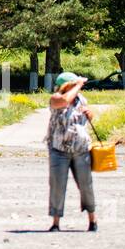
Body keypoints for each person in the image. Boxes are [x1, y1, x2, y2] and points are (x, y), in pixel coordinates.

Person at [46, 71, 98, 232]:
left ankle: (92, 220)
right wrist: (78, 84)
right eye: (73, 85)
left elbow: (86, 117)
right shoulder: (56, 98)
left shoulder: (80, 99)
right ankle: (55, 222)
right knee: (57, 186)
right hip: (59, 149)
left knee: (86, 185)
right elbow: (64, 101)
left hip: (81, 149)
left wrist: (90, 114)